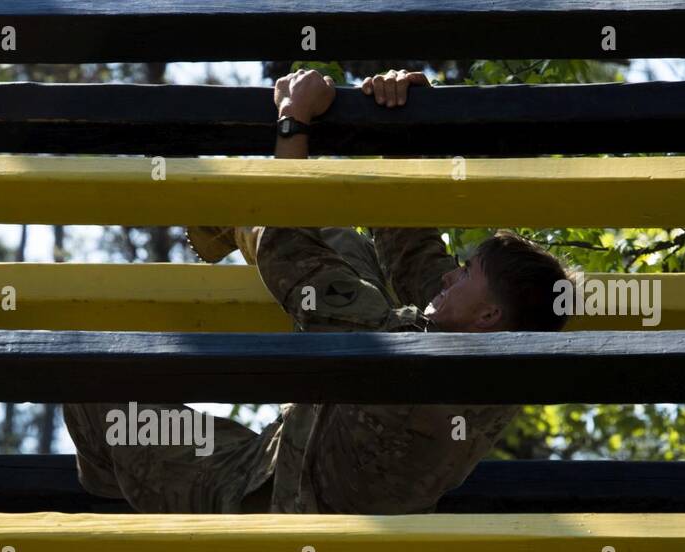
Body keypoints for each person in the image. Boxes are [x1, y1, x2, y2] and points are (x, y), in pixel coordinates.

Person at [64, 69, 570, 516]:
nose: (448, 277)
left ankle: (110, 490)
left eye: (465, 275)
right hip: (298, 450)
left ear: (486, 315)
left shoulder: (396, 350)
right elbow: (412, 251)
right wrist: (396, 126)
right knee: (342, 242)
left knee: (94, 385)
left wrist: (293, 120)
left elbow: (289, 252)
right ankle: (224, 215)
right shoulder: (493, 366)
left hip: (257, 493)